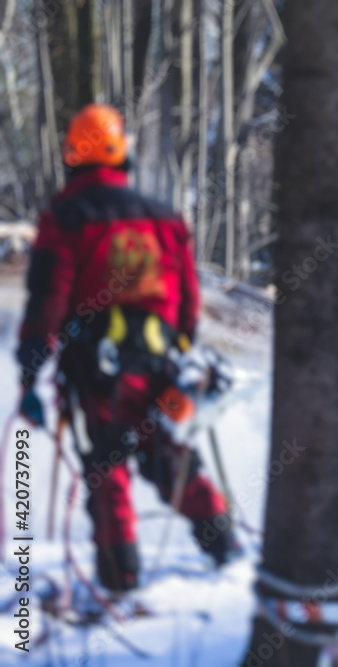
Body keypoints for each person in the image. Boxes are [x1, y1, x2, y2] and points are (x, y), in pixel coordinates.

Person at [16, 104, 238, 593]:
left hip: (99, 372)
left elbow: (47, 300)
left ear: (72, 156)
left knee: (107, 466)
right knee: (170, 456)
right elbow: (187, 304)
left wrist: (30, 369)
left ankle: (121, 579)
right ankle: (225, 549)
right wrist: (181, 353)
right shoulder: (163, 218)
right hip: (162, 363)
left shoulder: (64, 219)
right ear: (121, 155)